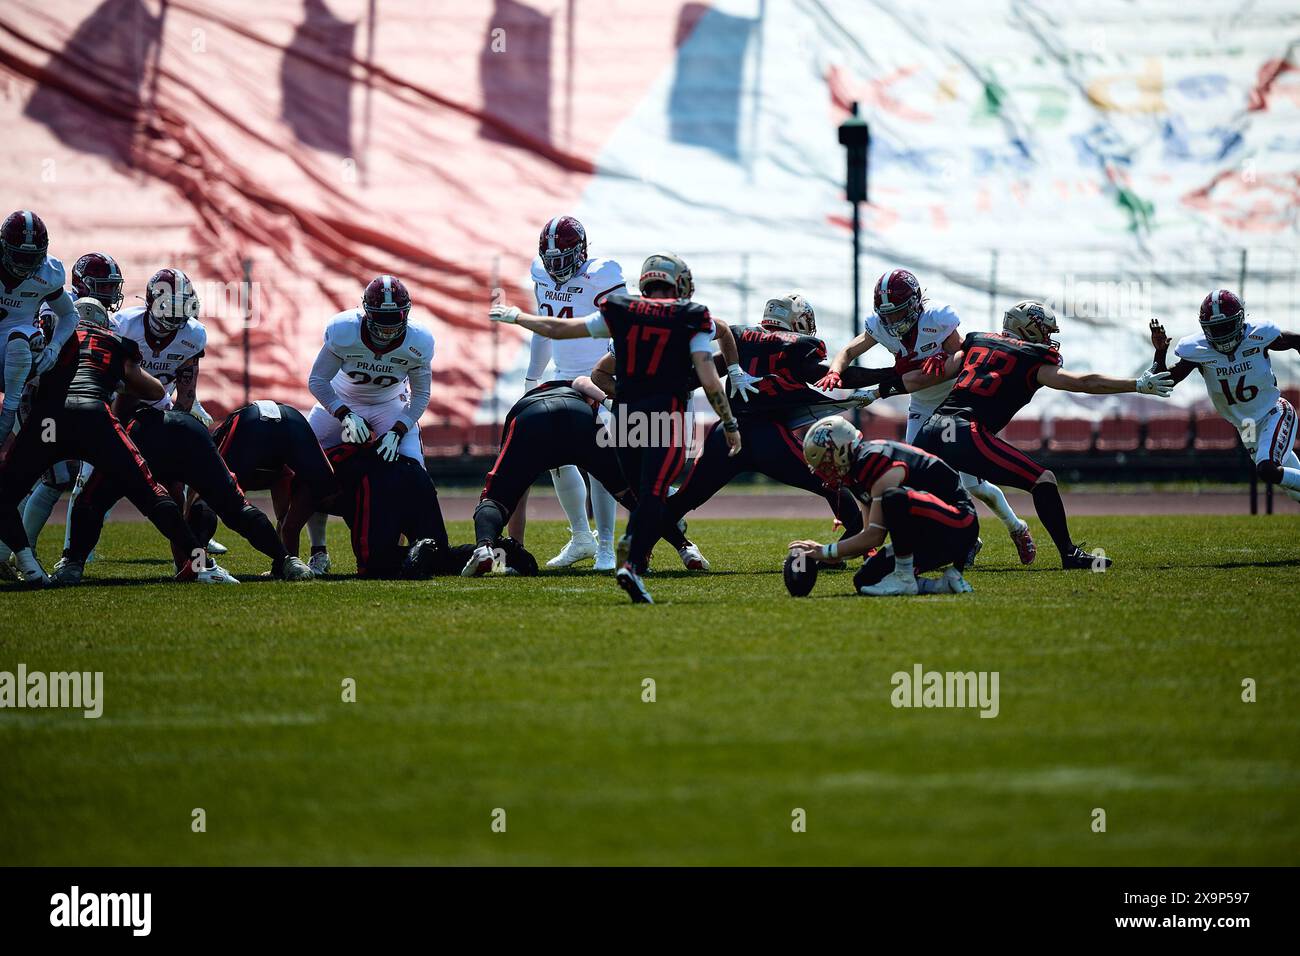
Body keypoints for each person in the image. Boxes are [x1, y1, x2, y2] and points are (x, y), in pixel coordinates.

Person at [491, 252, 743, 604]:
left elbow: (562, 329)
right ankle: (634, 563)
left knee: (641, 493)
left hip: (624, 418)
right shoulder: (691, 316)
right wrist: (729, 422)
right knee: (653, 494)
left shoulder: (623, 309)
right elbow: (708, 377)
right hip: (664, 417)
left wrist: (518, 317)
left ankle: (639, 544)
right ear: (679, 284)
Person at [912, 300, 1173, 569]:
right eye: (1046, 332)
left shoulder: (977, 340)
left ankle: (895, 550)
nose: (1048, 339)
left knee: (907, 489)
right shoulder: (1031, 357)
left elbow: (940, 367)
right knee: (1042, 480)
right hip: (965, 431)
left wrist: (878, 390)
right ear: (1029, 329)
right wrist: (1136, 385)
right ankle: (1068, 553)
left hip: (932, 427)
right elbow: (1084, 382)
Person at [0, 298, 235, 585]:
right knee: (152, 494)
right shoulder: (111, 339)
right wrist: (117, 380)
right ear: (103, 322)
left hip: (49, 422)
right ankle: (203, 565)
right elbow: (154, 390)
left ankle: (30, 565)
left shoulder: (49, 339)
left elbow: (22, 376)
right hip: (93, 419)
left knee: (6, 494)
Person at [818, 268, 1035, 562]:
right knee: (916, 478)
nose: (892, 321)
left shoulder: (937, 318)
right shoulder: (880, 326)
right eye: (887, 314)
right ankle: (968, 539)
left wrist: (944, 358)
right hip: (921, 404)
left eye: (898, 313)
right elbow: (848, 350)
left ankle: (1016, 527)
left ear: (915, 303)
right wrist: (834, 370)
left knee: (972, 484)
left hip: (954, 403)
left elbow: (964, 358)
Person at [305, 274, 434, 574]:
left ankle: (403, 549)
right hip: (341, 399)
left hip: (390, 404)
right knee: (309, 465)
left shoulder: (419, 341)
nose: (388, 326)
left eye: (395, 317)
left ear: (407, 314)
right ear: (366, 313)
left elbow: (422, 394)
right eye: (381, 317)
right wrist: (344, 414)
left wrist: (399, 430)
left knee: (414, 473)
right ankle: (318, 550)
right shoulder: (344, 330)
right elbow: (318, 380)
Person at [462, 380, 637, 577]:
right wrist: (607, 402)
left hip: (531, 419)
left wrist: (515, 549)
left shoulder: (530, 400)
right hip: (577, 416)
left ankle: (484, 547)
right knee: (626, 491)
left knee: (494, 500)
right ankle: (678, 545)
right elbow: (583, 381)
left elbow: (519, 498)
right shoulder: (579, 388)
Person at [791, 416, 979, 596]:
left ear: (841, 449)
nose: (825, 471)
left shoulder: (872, 459)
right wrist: (825, 554)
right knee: (866, 580)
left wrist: (825, 551)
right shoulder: (857, 473)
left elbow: (875, 535)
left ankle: (904, 576)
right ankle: (943, 585)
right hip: (930, 535)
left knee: (894, 498)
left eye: (826, 462)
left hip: (959, 524)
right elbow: (868, 536)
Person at [1150, 291, 1300, 501]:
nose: (1221, 334)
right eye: (1215, 329)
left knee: (1268, 469)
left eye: (1226, 326)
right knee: (1294, 491)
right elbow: (1163, 382)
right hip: (1245, 425)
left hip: (1274, 411)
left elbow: (1297, 341)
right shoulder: (1198, 350)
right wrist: (1160, 352)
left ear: (1240, 320)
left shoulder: (1258, 335)